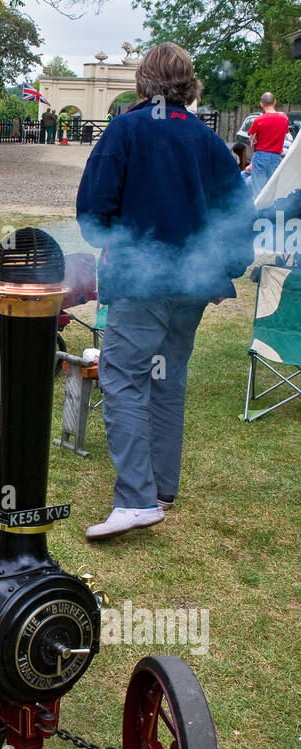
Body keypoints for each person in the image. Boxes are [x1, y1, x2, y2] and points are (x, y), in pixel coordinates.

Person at [76, 42, 255, 539]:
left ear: (143, 81)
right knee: (165, 377)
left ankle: (136, 499)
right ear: (188, 85)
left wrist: (113, 242)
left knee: (123, 376)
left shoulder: (127, 128)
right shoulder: (206, 138)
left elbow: (93, 207)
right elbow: (239, 214)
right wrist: (227, 266)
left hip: (144, 280)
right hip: (192, 282)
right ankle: (159, 489)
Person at [246, 92, 289, 194]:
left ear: (261, 104)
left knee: (259, 191)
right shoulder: (284, 119)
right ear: (275, 102)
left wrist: (254, 138)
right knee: (273, 190)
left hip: (261, 156)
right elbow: (285, 134)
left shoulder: (258, 120)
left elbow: (252, 140)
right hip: (276, 157)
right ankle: (276, 210)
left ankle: (260, 210)